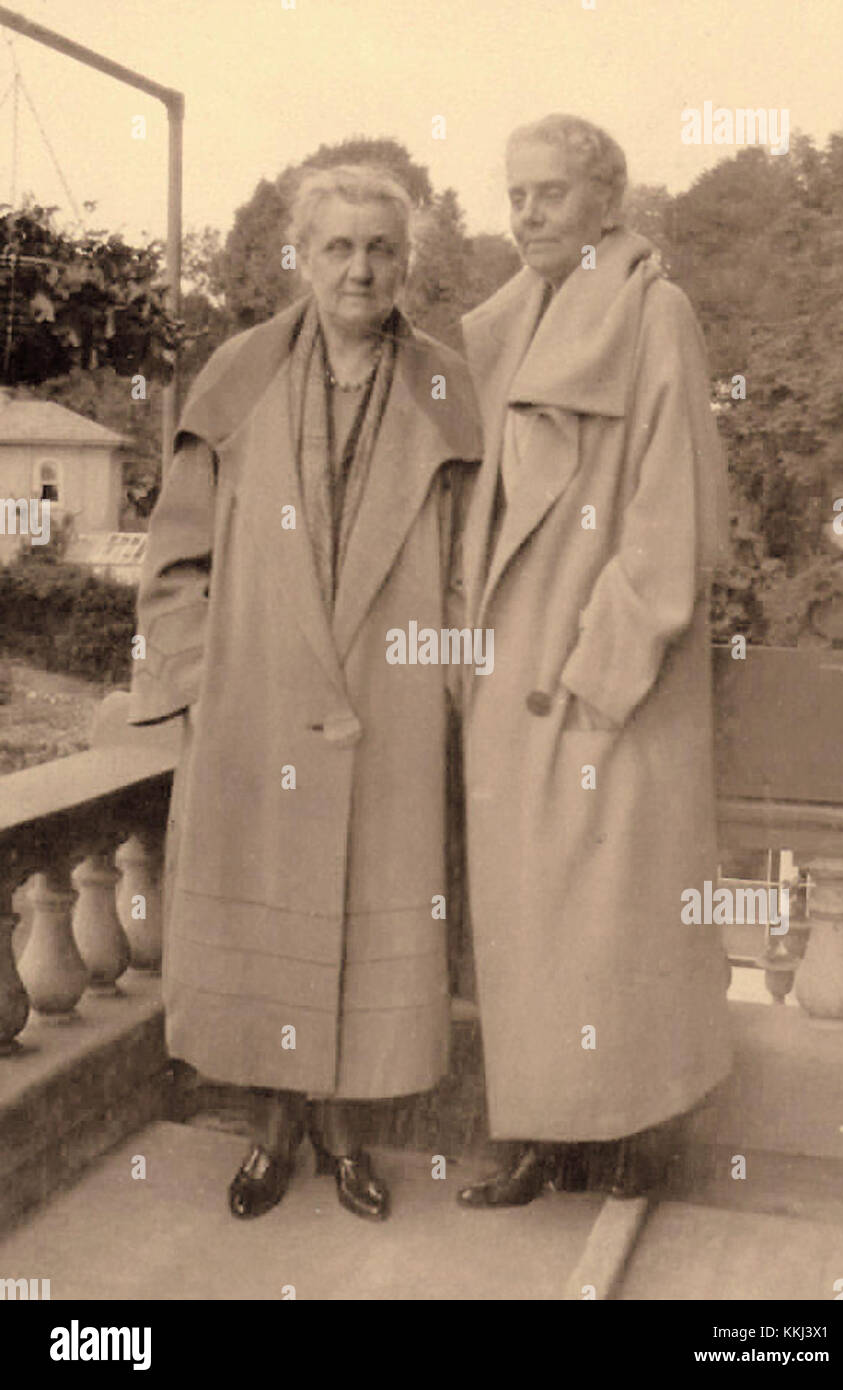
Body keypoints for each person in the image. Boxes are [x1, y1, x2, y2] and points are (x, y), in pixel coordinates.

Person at [129, 165, 480, 1222]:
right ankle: (271, 1132)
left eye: (381, 249)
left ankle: (345, 1130)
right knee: (267, 931)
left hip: (393, 715)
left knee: (364, 929)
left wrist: (455, 686)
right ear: (303, 256)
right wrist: (205, 689)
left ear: (403, 263)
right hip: (258, 715)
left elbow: (472, 564)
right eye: (339, 247)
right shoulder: (236, 375)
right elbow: (173, 562)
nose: (361, 268)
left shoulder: (443, 387)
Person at [456, 114, 732, 1207]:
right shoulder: (503, 326)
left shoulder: (654, 315)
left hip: (602, 680)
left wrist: (598, 676)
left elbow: (678, 527)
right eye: (516, 192)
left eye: (552, 194)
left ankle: (621, 1140)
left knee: (610, 924)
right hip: (503, 681)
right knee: (530, 927)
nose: (526, 213)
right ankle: (539, 1131)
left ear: (603, 203)